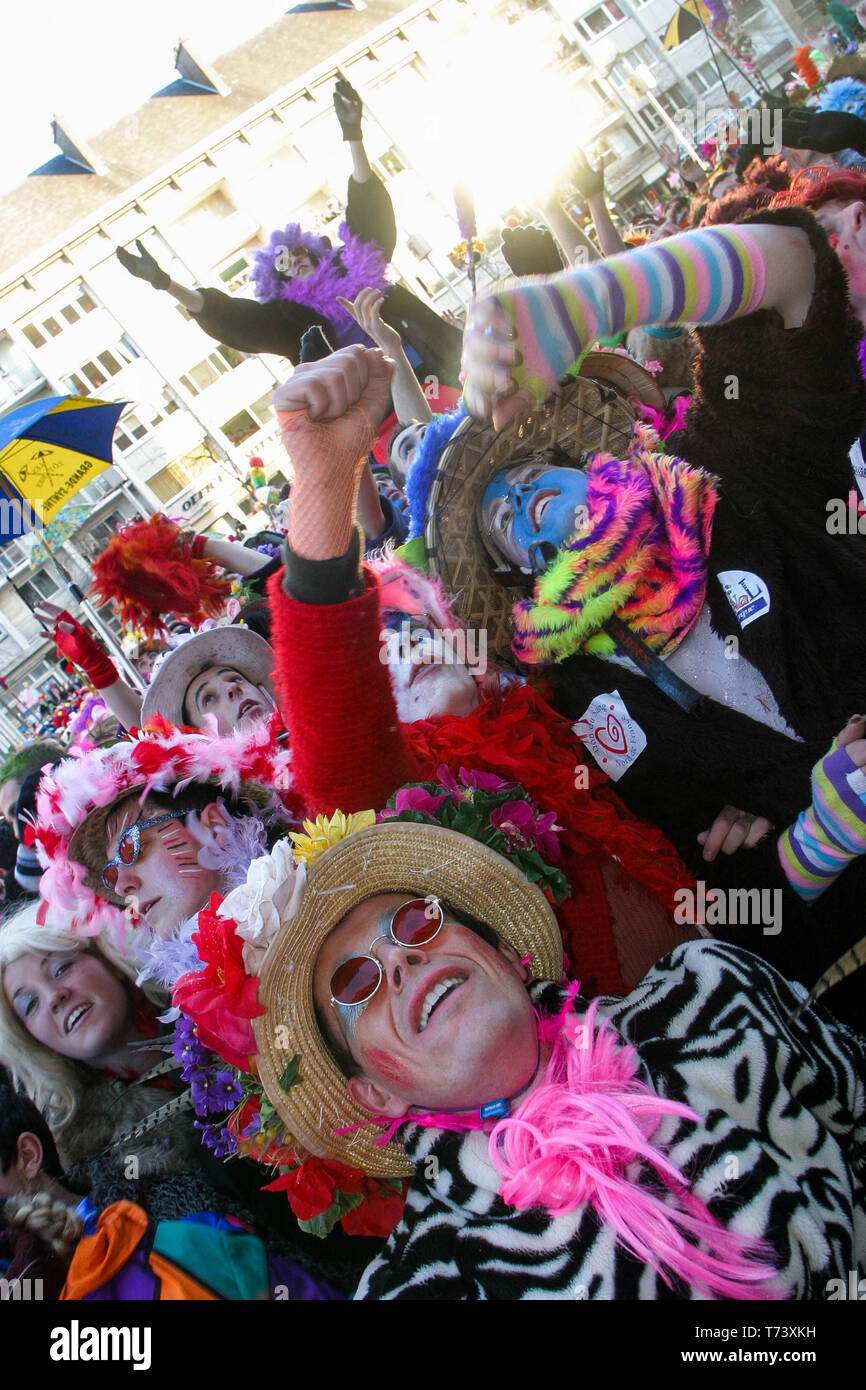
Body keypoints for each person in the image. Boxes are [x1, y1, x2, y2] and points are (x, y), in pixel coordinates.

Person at [227, 813, 866, 1300]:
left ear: (504, 953)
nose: (400, 960)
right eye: (355, 985)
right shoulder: (430, 1280)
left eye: (416, 923)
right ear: (376, 1095)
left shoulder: (712, 989)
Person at [115, 79, 461, 386]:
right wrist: (165, 283)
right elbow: (233, 318)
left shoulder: (355, 265)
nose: (292, 262)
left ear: (313, 253)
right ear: (278, 282)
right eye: (282, 264)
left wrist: (353, 136)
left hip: (438, 365)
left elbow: (368, 215)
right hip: (381, 406)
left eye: (297, 254)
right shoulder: (290, 320)